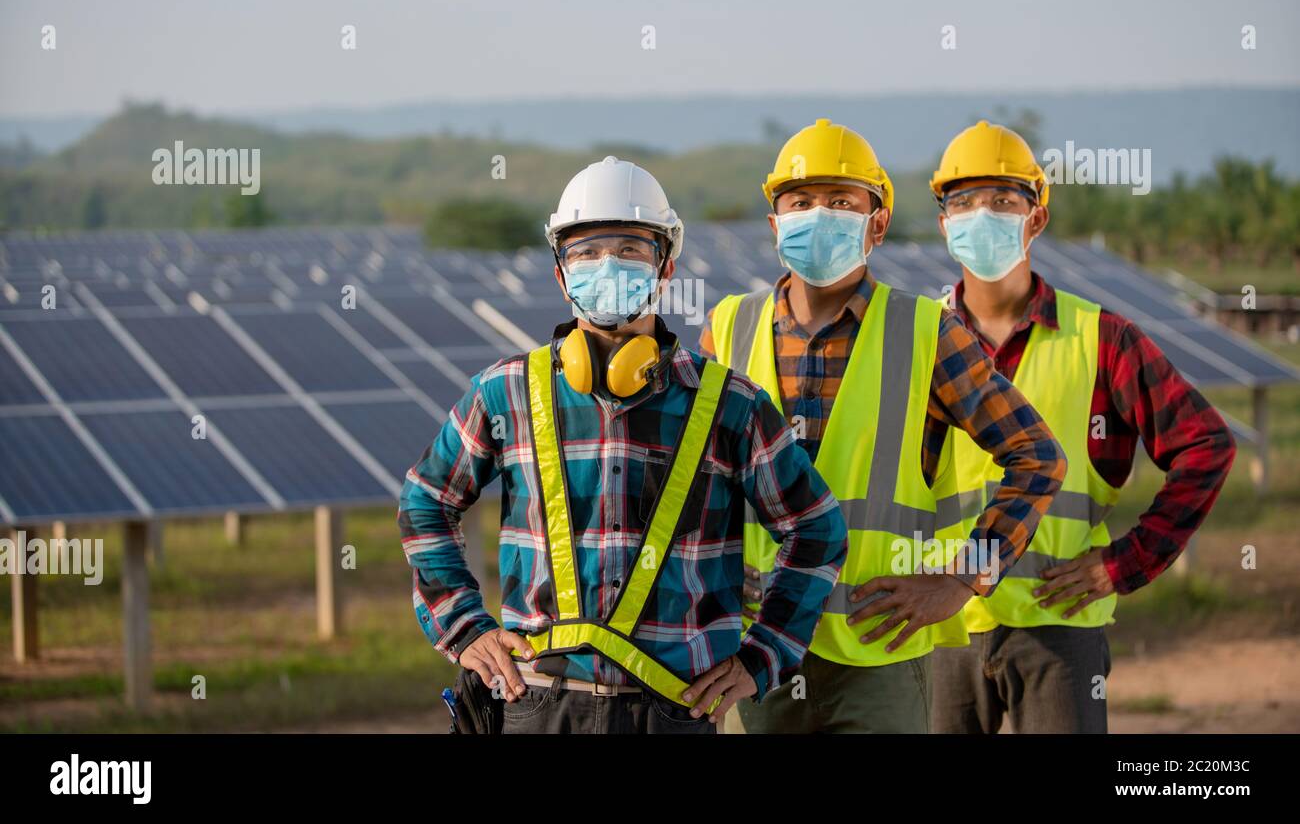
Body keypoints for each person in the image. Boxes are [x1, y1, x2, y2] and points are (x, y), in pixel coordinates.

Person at [399, 155, 848, 734]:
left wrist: (763, 657)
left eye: (631, 249)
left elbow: (816, 528)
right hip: (535, 703)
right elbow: (426, 501)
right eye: (585, 252)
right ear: (560, 274)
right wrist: (464, 628)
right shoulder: (505, 391)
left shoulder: (730, 404)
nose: (607, 265)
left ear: (666, 267)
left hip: (671, 710)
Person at [700, 119, 1066, 733]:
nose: (819, 215)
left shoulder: (926, 333)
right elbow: (694, 484)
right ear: (775, 223)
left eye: (842, 202)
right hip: (753, 650)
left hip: (879, 655)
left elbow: (1037, 456)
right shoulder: (728, 327)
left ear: (878, 223)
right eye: (801, 202)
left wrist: (963, 579)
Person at [926, 121, 1237, 733]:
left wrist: (1124, 563)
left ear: (1036, 218)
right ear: (944, 224)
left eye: (1003, 200)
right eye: (963, 201)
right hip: (943, 622)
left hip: (1059, 623)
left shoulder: (1102, 339)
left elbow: (1206, 444)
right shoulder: (916, 339)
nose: (981, 215)